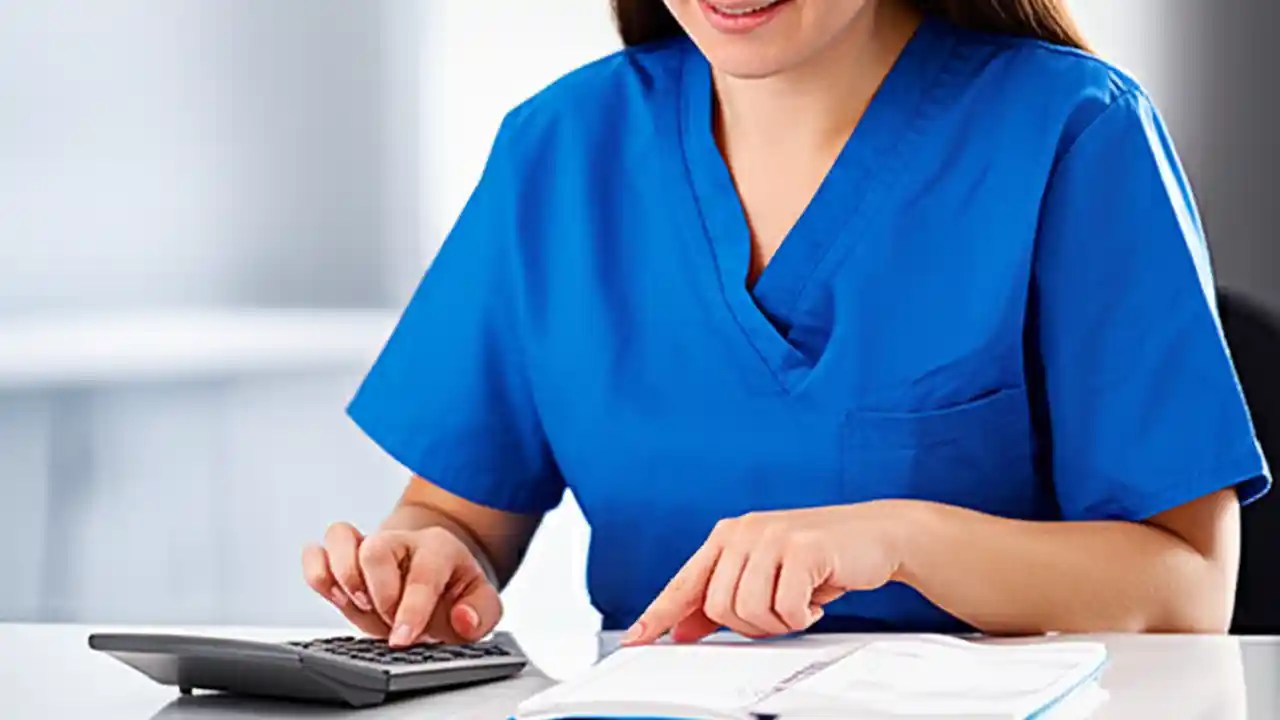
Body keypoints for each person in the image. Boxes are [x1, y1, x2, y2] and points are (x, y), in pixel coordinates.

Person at [302, 0, 1270, 649]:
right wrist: (428, 565)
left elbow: (1185, 589)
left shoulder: (1070, 132)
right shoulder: (558, 151)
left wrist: (896, 541)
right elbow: (455, 513)